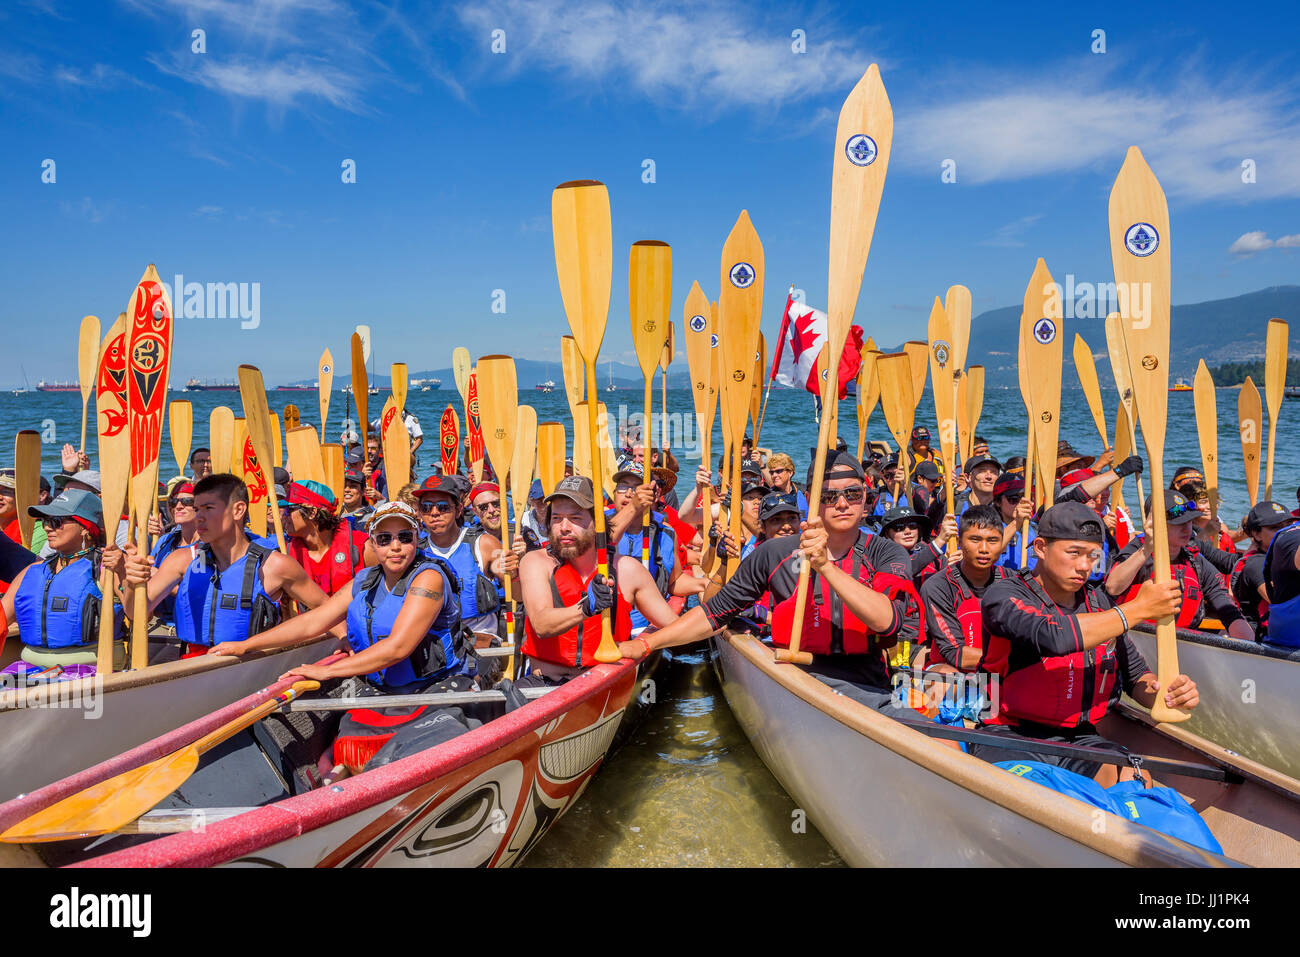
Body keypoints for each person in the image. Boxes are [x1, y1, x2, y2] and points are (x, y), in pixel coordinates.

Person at [621, 450, 922, 709]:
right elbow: (715, 613)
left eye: (852, 494)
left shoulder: (887, 552)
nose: (842, 503)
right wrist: (648, 644)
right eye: (830, 496)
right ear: (812, 499)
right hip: (795, 679)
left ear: (866, 498)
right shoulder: (774, 553)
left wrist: (826, 567)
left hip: (869, 687)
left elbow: (887, 621)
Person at [971, 502, 1195, 785]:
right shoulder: (1002, 595)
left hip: (1080, 738)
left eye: (1092, 556)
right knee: (1033, 790)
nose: (1084, 566)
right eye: (1074, 553)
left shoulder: (1099, 603)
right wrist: (1137, 609)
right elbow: (1055, 636)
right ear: (1040, 547)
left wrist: (1165, 694)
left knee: (1136, 779)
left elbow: (1136, 676)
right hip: (1007, 734)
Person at [212, 500, 468, 694]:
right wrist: (247, 645)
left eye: (404, 537)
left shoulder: (429, 577)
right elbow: (313, 622)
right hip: (384, 689)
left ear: (416, 539)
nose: (396, 546)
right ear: (372, 543)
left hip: (434, 689)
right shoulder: (366, 580)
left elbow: (397, 647)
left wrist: (327, 671)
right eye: (384, 538)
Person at [115, 473, 330, 655]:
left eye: (208, 508)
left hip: (250, 667)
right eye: (197, 509)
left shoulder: (274, 566)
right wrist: (132, 581)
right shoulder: (181, 560)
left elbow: (329, 613)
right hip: (193, 663)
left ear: (238, 510)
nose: (198, 517)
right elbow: (136, 613)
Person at [518, 476, 679, 685]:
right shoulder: (536, 562)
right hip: (543, 683)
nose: (564, 527)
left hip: (605, 682)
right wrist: (585, 608)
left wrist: (646, 644)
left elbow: (677, 628)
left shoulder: (627, 569)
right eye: (556, 518)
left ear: (597, 523)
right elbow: (541, 624)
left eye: (575, 518)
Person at [0, 488, 122, 677]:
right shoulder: (32, 571)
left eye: (56, 521)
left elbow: (140, 614)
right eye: (46, 521)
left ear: (85, 527)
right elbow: (2, 618)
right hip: (32, 669)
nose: (48, 527)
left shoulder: (107, 567)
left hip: (88, 670)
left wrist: (123, 573)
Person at [1105, 492, 1253, 641]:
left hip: (1183, 643)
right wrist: (1147, 549)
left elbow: (1224, 603)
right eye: (1178, 523)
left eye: (1189, 521)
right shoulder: (1137, 551)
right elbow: (1112, 587)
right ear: (1155, 524)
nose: (1187, 529)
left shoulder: (1194, 561)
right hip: (1135, 642)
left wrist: (1247, 640)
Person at [411, 473, 515, 645]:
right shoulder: (416, 551)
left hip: (480, 641)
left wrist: (514, 573)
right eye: (427, 507)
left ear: (458, 510)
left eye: (443, 507)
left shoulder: (485, 544)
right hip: (434, 644)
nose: (434, 513)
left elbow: (516, 594)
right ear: (420, 513)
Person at [921, 505, 1012, 675]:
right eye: (975, 539)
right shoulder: (937, 586)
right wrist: (1012, 661)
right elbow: (954, 653)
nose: (984, 549)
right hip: (951, 670)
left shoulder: (1013, 582)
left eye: (992, 541)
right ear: (960, 542)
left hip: (1003, 670)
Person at [280, 480, 371, 596]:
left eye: (289, 510)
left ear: (312, 512)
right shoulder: (284, 552)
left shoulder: (362, 547)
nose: (283, 515)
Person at [145, 479, 202, 628]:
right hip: (160, 622)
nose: (178, 506)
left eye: (187, 501)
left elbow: (201, 596)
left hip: (193, 624)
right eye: (173, 501)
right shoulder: (164, 541)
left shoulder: (207, 547)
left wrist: (162, 579)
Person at [1232, 501, 1294, 637]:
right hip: (1262, 640)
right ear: (1257, 534)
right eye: (1275, 528)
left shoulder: (1285, 559)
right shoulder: (1256, 564)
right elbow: (1281, 602)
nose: (1284, 532)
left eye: (1288, 526)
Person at [879, 505, 954, 585]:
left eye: (912, 526)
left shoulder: (935, 556)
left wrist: (956, 565)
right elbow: (906, 569)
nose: (907, 531)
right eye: (899, 527)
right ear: (887, 534)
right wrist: (940, 541)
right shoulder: (884, 556)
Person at [992, 474, 1036, 571]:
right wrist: (1017, 522)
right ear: (998, 502)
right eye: (1013, 499)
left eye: (1025, 497)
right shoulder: (989, 529)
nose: (1021, 503)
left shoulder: (1037, 530)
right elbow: (991, 551)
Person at [764, 453, 809, 517]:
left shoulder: (804, 491)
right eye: (771, 472)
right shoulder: (768, 496)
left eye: (778, 471)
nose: (774, 475)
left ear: (790, 473)